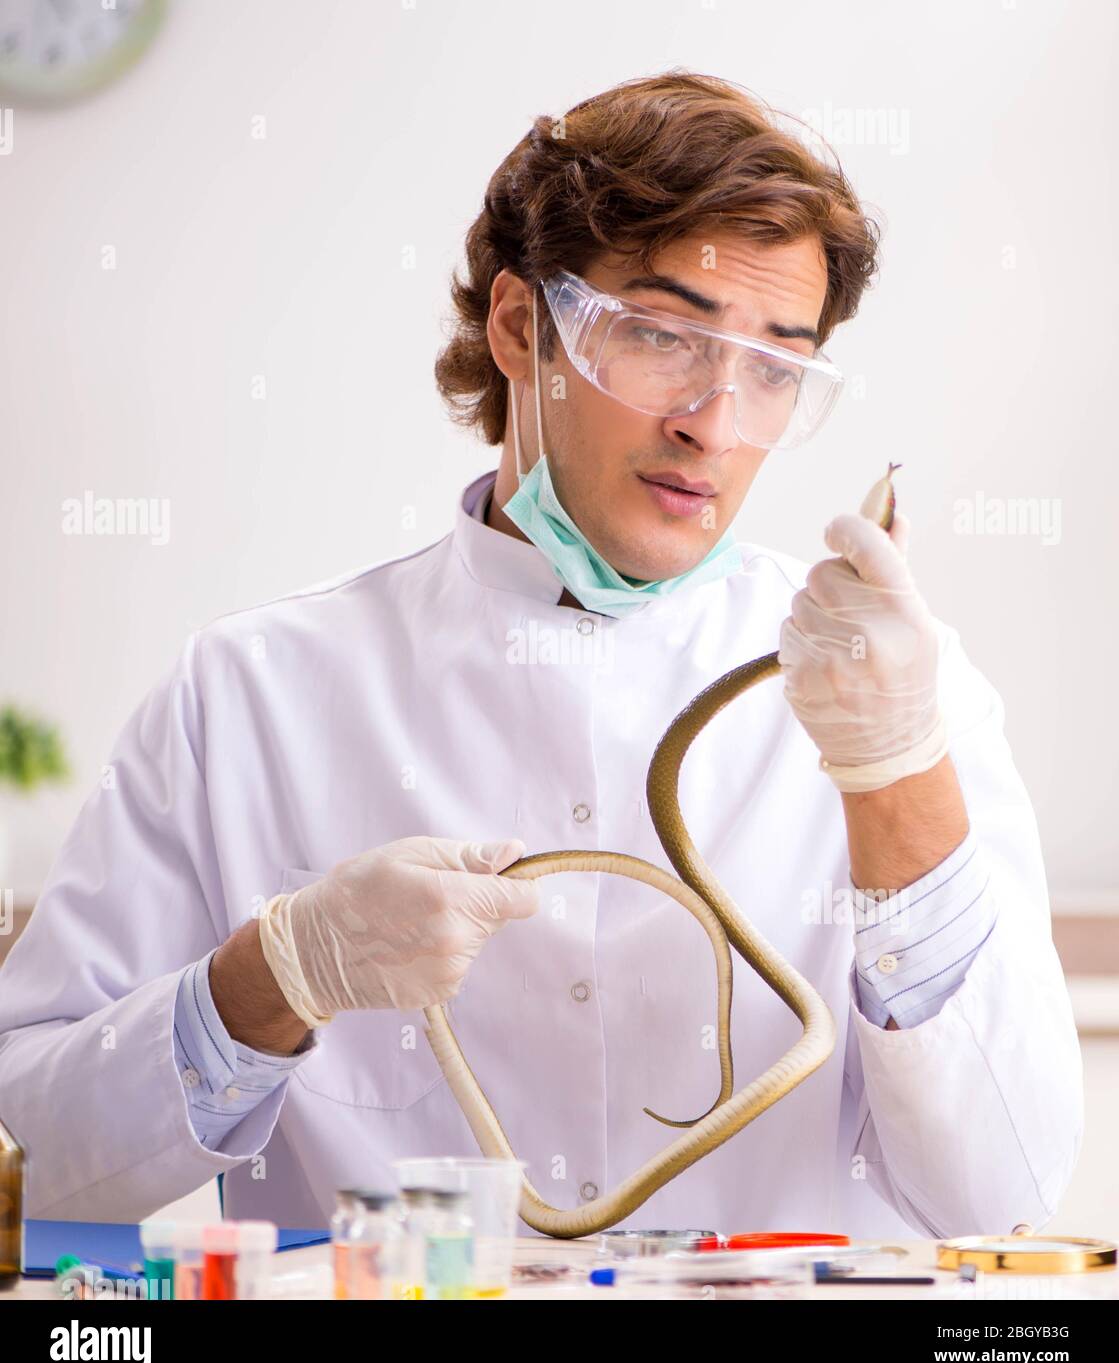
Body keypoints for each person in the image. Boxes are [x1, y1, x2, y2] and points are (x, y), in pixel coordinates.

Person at [0, 72, 1081, 1238]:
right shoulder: (251, 694)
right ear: (522, 327)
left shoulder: (900, 695)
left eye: (775, 366)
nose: (715, 424)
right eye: (664, 336)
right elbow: (47, 1163)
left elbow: (1002, 1198)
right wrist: (279, 973)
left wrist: (896, 777)